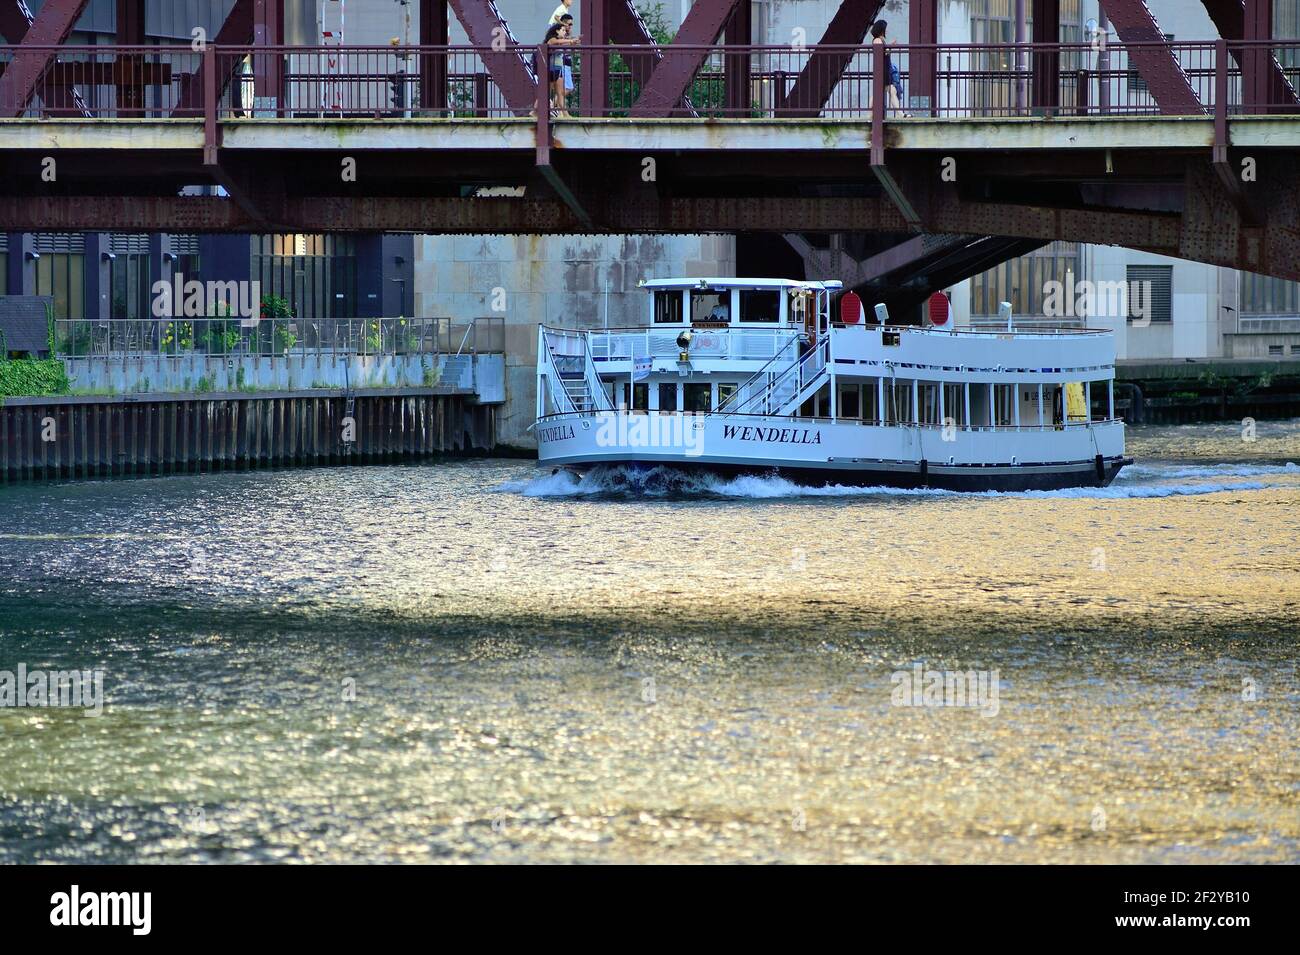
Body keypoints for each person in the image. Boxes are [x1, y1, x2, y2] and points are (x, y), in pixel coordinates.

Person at [543, 21, 580, 116]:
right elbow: (557, 42)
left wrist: (574, 42)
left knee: (560, 93)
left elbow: (565, 45)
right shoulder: (551, 40)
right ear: (557, 31)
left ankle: (565, 114)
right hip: (550, 70)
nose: (564, 32)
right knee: (546, 93)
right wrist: (571, 41)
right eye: (563, 30)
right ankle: (537, 111)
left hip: (557, 70)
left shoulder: (560, 42)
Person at [871, 20, 905, 115]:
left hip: (884, 70)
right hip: (882, 71)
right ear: (881, 29)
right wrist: (890, 46)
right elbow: (881, 54)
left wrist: (890, 46)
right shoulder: (878, 40)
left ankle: (900, 114)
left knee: (889, 91)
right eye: (885, 28)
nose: (887, 31)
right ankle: (900, 114)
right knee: (881, 93)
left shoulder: (880, 40)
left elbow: (884, 53)